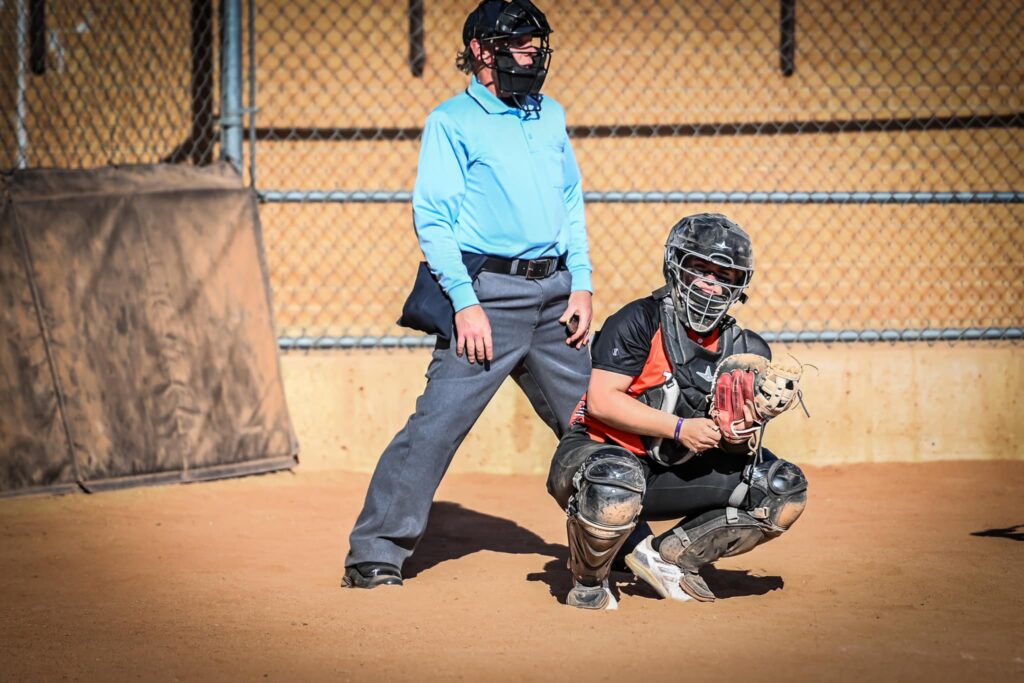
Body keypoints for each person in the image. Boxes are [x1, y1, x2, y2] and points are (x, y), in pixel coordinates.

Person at [343, 0, 594, 589]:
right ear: (483, 50)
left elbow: (571, 203)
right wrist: (465, 301)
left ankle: (627, 539)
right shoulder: (452, 121)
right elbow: (433, 218)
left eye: (538, 46)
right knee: (437, 425)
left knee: (599, 420)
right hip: (489, 298)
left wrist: (580, 281)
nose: (535, 57)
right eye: (522, 46)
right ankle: (374, 552)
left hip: (556, 295)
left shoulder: (549, 115)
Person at [546, 213, 809, 610]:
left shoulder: (746, 349)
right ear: (675, 265)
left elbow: (739, 449)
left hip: (671, 473)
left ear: (740, 286)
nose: (712, 284)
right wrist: (680, 427)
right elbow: (601, 400)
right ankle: (589, 580)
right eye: (700, 269)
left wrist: (740, 434)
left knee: (781, 489)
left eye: (726, 276)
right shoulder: (640, 319)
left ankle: (672, 556)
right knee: (615, 480)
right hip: (595, 457)